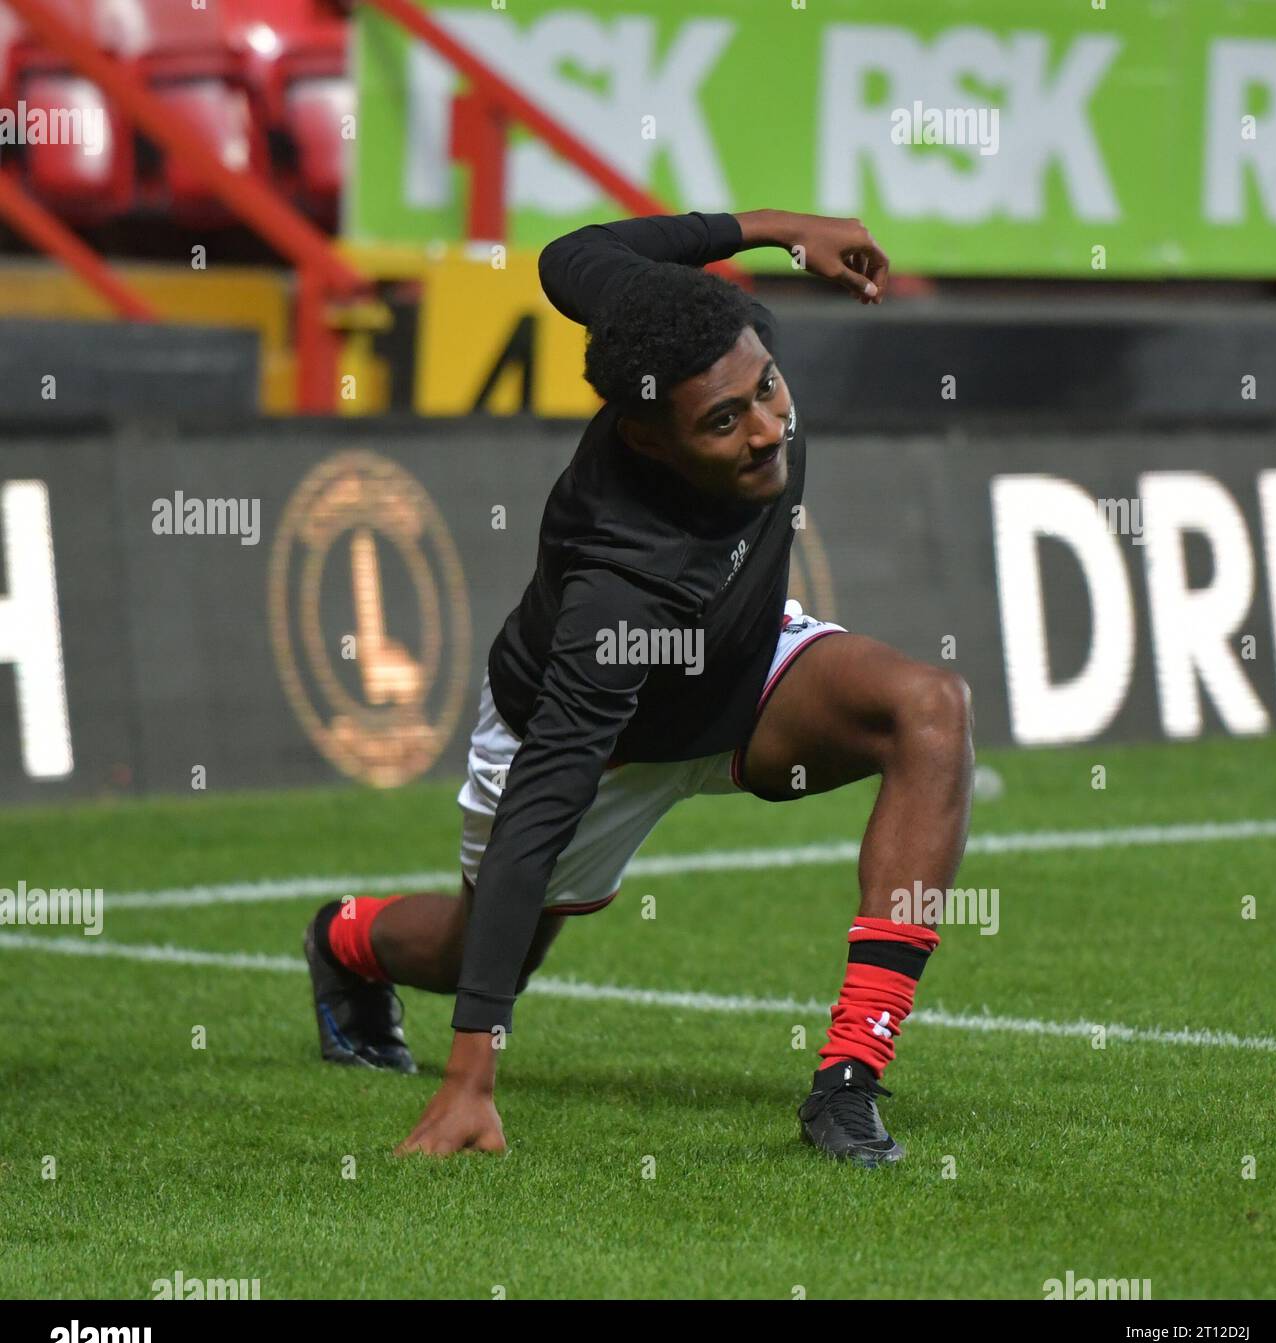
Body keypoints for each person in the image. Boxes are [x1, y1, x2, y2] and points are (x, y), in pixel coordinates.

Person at [304, 209, 973, 1168]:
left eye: (768, 390)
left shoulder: (695, 339)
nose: (768, 429)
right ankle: (347, 942)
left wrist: (786, 231)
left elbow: (565, 256)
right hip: (596, 744)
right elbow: (538, 816)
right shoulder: (617, 589)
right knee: (474, 953)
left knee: (929, 707)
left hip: (740, 672)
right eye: (725, 422)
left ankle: (848, 1083)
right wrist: (469, 1077)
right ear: (650, 439)